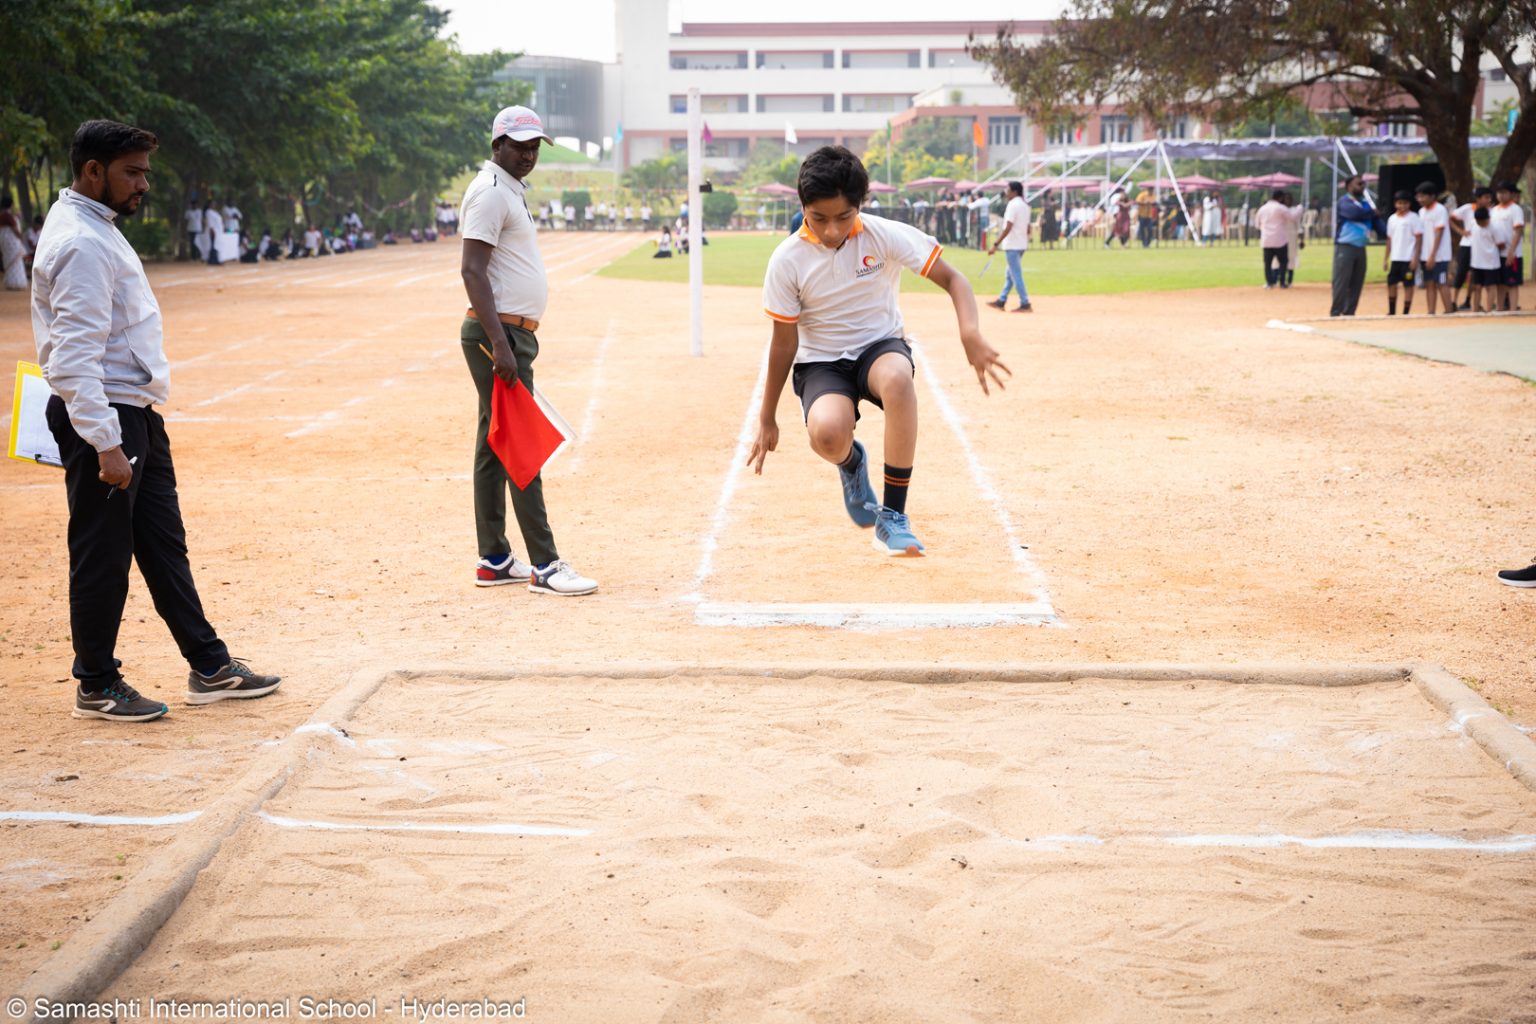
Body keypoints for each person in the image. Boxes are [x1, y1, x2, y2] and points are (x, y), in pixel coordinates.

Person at [32, 119, 281, 722]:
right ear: (93, 171)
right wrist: (105, 444)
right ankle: (95, 682)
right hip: (107, 419)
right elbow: (72, 360)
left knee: (164, 547)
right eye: (132, 172)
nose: (145, 183)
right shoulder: (83, 243)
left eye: (146, 171)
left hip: (133, 412)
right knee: (102, 553)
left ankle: (209, 664)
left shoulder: (97, 227)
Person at [748, 145, 1010, 557]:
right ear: (803, 206)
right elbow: (784, 341)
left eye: (843, 217)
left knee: (898, 379)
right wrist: (767, 417)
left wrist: (970, 333)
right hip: (821, 362)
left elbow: (954, 279)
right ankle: (851, 463)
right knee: (828, 436)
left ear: (860, 206)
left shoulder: (882, 234)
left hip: (878, 345)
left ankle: (893, 517)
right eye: (819, 219)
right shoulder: (787, 260)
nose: (832, 230)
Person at [459, 105, 598, 596]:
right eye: (520, 145)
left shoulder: (507, 192)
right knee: (521, 442)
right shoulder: (490, 193)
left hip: (510, 334)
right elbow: (472, 271)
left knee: (493, 445)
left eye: (535, 145)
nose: (529, 154)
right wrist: (500, 343)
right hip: (498, 336)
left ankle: (494, 557)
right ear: (497, 144)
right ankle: (545, 564)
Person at [1330, 174, 1376, 316]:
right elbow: (1354, 214)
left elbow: (1376, 220)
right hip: (1345, 246)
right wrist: (1372, 212)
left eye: (1363, 184)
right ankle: (1336, 311)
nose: (1362, 186)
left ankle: (1350, 312)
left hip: (1361, 247)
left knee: (1357, 282)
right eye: (1359, 184)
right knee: (1342, 281)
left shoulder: (1365, 203)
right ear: (1349, 187)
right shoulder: (1344, 202)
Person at [986, 180, 1033, 313]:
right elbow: (1028, 228)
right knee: (1010, 274)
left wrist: (996, 244)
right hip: (1021, 244)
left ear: (1014, 192)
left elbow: (1008, 227)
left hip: (1012, 244)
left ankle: (1025, 303)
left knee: (1016, 274)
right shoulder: (1025, 205)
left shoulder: (1013, 205)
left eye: (1008, 190)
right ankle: (1001, 300)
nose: (1006, 193)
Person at [1449, 187, 1494, 310]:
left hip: (1481, 247)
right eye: (1486, 197)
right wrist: (1460, 231)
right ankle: (1453, 301)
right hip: (1467, 245)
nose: (1489, 200)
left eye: (1490, 197)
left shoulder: (1491, 211)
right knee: (1461, 273)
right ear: (1478, 199)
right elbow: (1451, 217)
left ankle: (1470, 301)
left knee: (1475, 275)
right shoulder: (1468, 209)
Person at [1414, 183, 1453, 314]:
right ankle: (1431, 311)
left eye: (1422, 196)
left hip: (1440, 255)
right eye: (1418, 197)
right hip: (1425, 255)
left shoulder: (1440, 210)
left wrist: (1433, 255)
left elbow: (1439, 233)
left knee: (1441, 282)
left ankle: (1449, 310)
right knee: (1429, 283)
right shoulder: (1421, 212)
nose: (1420, 199)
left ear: (1431, 196)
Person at [1382, 191, 1422, 315]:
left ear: (1409, 204)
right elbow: (1389, 240)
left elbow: (1419, 238)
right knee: (1392, 283)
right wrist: (1386, 258)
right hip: (1396, 258)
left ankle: (1406, 311)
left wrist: (1415, 258)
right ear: (1395, 204)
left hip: (1408, 257)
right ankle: (1392, 310)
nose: (1402, 206)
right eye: (1400, 203)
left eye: (1405, 203)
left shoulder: (1413, 218)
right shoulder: (1392, 219)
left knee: (1408, 285)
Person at [1466, 206, 1508, 312]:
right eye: (1478, 221)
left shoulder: (1495, 227)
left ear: (1487, 218)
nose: (1480, 223)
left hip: (1491, 262)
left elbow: (1501, 244)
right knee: (1477, 287)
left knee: (1490, 287)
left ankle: (1489, 310)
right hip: (1476, 262)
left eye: (1482, 221)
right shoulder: (1473, 224)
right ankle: (1475, 309)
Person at [1491, 181, 1524, 310]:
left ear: (1511, 194)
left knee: (1512, 283)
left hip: (1512, 253)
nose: (1501, 196)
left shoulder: (1515, 209)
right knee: (1500, 283)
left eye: (1504, 193)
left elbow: (1518, 231)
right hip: (1497, 253)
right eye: (1499, 193)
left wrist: (1512, 251)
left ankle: (1513, 309)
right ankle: (1499, 308)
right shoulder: (1494, 210)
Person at [1254, 188, 1297, 288]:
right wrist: (1300, 209)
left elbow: (1257, 224)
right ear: (1280, 198)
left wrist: (1265, 229)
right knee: (1283, 262)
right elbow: (1292, 218)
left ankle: (1269, 282)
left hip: (1267, 240)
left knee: (1267, 263)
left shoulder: (1262, 208)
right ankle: (1282, 282)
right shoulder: (1281, 208)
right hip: (1280, 240)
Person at [0, 194, 27, 289]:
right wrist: (21, 237)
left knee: (9, 260)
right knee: (16, 261)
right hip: (11, 242)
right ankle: (16, 283)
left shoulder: (2, 216)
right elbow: (15, 230)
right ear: (11, 205)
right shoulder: (8, 216)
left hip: (3, 241)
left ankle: (10, 282)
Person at [1282, 191, 1304, 287]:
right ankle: (1280, 279)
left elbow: (1299, 226)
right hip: (1280, 237)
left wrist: (1301, 240)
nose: (1288, 201)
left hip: (1292, 237)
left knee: (1291, 258)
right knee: (1279, 259)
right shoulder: (1280, 210)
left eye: (1289, 199)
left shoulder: (1294, 210)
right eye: (1286, 199)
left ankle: (1290, 280)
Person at [202, 201, 223, 266]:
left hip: (218, 232)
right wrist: (212, 230)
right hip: (213, 231)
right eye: (213, 204)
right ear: (210, 205)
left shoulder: (215, 212)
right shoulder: (209, 212)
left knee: (216, 245)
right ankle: (212, 260)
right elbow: (210, 221)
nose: (214, 205)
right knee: (213, 245)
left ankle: (216, 259)